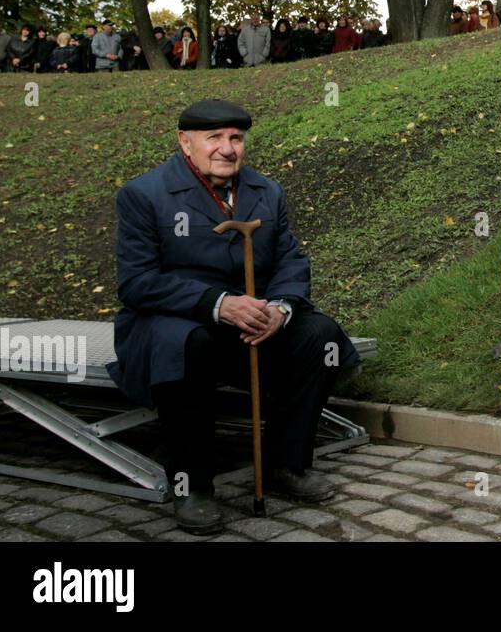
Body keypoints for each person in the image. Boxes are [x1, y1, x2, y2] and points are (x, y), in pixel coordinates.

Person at [109, 99, 361, 534]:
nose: (227, 149)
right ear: (185, 144)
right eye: (215, 138)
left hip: (252, 322)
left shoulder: (267, 192)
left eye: (236, 138)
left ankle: (287, 463)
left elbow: (291, 261)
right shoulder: (144, 194)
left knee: (321, 336)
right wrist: (218, 303)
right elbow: (137, 282)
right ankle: (194, 485)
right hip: (176, 322)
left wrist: (280, 309)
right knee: (189, 344)